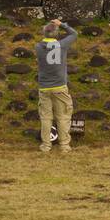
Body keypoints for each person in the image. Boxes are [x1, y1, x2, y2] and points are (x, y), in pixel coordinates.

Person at [36, 18, 77, 153]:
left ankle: (46, 145)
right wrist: (62, 24)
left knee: (46, 117)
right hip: (59, 86)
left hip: (44, 87)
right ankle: (64, 145)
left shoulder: (38, 47)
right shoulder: (62, 45)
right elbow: (74, 34)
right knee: (63, 116)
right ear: (56, 34)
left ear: (44, 33)